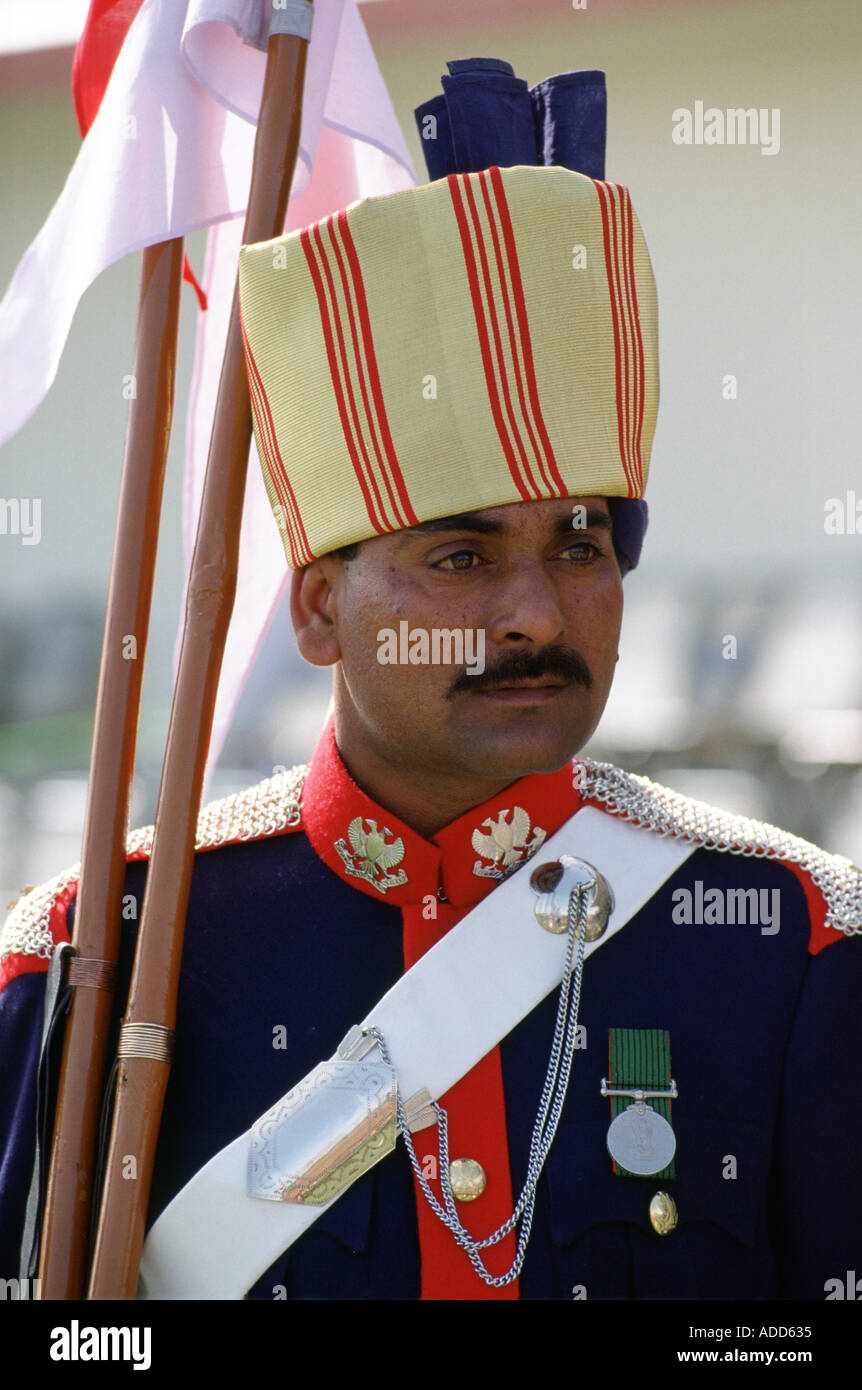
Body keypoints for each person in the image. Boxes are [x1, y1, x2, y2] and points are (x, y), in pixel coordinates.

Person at [1, 63, 860, 1303]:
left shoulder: (791, 939)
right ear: (317, 609)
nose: (533, 611)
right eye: (459, 555)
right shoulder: (109, 946)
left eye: (579, 544)